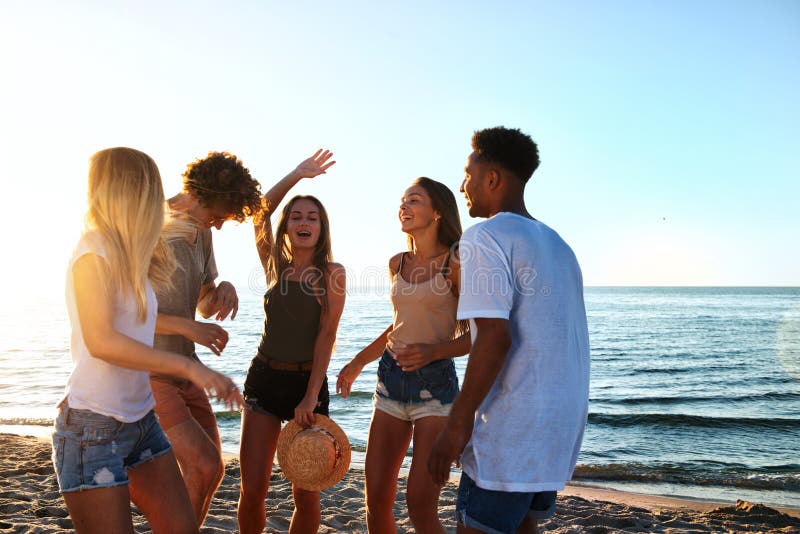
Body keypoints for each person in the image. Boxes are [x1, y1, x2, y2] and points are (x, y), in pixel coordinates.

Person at [53, 147, 242, 533]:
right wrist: (188, 366)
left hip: (140, 423)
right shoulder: (92, 253)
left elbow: (144, 317)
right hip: (93, 429)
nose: (160, 199)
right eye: (151, 188)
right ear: (129, 192)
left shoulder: (136, 254)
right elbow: (102, 341)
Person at [428, 127, 590, 534]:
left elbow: (496, 340)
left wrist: (455, 426)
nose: (462, 185)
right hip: (557, 431)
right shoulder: (559, 245)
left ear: (492, 178)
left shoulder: (485, 236)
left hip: (511, 433)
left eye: (468, 174)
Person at [337, 177, 470, 533]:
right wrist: (357, 363)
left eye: (413, 200)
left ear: (438, 211)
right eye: (402, 201)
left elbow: (477, 336)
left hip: (435, 389)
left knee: (419, 504)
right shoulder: (397, 263)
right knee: (375, 499)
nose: (404, 207)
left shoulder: (455, 262)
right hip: (389, 383)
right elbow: (397, 326)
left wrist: (433, 351)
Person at [149, 151, 261, 525]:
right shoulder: (150, 224)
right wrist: (187, 327)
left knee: (212, 470)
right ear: (201, 193)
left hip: (186, 367)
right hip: (149, 369)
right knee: (201, 466)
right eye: (219, 214)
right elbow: (123, 312)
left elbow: (204, 305)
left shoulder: (204, 234)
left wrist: (224, 289)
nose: (220, 224)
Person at [237, 149, 346, 534]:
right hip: (264, 381)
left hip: (307, 385)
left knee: (307, 492)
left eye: (311, 217)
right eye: (296, 216)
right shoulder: (274, 265)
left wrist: (311, 395)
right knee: (253, 489)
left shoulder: (333, 274)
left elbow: (327, 336)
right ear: (287, 227)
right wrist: (297, 175)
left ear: (321, 228)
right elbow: (259, 213)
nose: (304, 222)